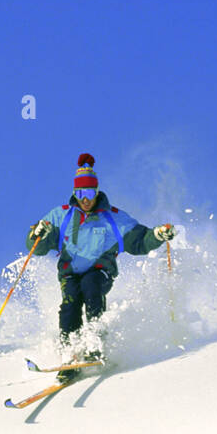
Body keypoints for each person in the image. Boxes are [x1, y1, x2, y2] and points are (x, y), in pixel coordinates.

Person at [28, 154, 175, 377]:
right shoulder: (62, 216)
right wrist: (37, 234)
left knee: (91, 288)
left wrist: (157, 235)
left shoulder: (113, 218)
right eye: (80, 194)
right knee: (69, 304)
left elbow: (139, 241)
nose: (85, 200)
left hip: (100, 271)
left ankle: (95, 342)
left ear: (96, 192)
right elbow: (37, 247)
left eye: (89, 193)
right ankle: (70, 354)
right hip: (69, 273)